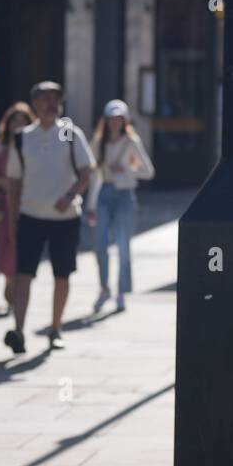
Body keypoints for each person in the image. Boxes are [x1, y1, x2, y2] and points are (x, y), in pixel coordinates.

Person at [4, 81, 94, 353]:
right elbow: (13, 183)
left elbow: (87, 172)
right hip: (31, 215)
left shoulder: (69, 133)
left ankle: (55, 328)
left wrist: (69, 196)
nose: (51, 104)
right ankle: (18, 331)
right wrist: (12, 219)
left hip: (65, 219)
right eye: (44, 98)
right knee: (23, 275)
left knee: (62, 275)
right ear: (34, 104)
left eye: (55, 98)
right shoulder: (22, 138)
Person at [86, 99, 155, 313]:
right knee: (99, 245)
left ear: (124, 120)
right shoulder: (98, 143)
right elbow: (93, 174)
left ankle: (121, 292)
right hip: (104, 194)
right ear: (105, 121)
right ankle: (104, 288)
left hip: (125, 196)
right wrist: (90, 205)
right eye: (111, 119)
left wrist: (125, 169)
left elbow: (148, 172)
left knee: (123, 246)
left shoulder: (132, 142)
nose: (115, 122)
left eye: (118, 119)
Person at [0, 101, 36, 311]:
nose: (19, 124)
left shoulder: (33, 146)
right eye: (15, 120)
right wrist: (8, 184)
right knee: (3, 243)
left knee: (19, 244)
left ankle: (14, 283)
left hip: (26, 203)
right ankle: (8, 278)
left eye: (23, 121)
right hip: (3, 204)